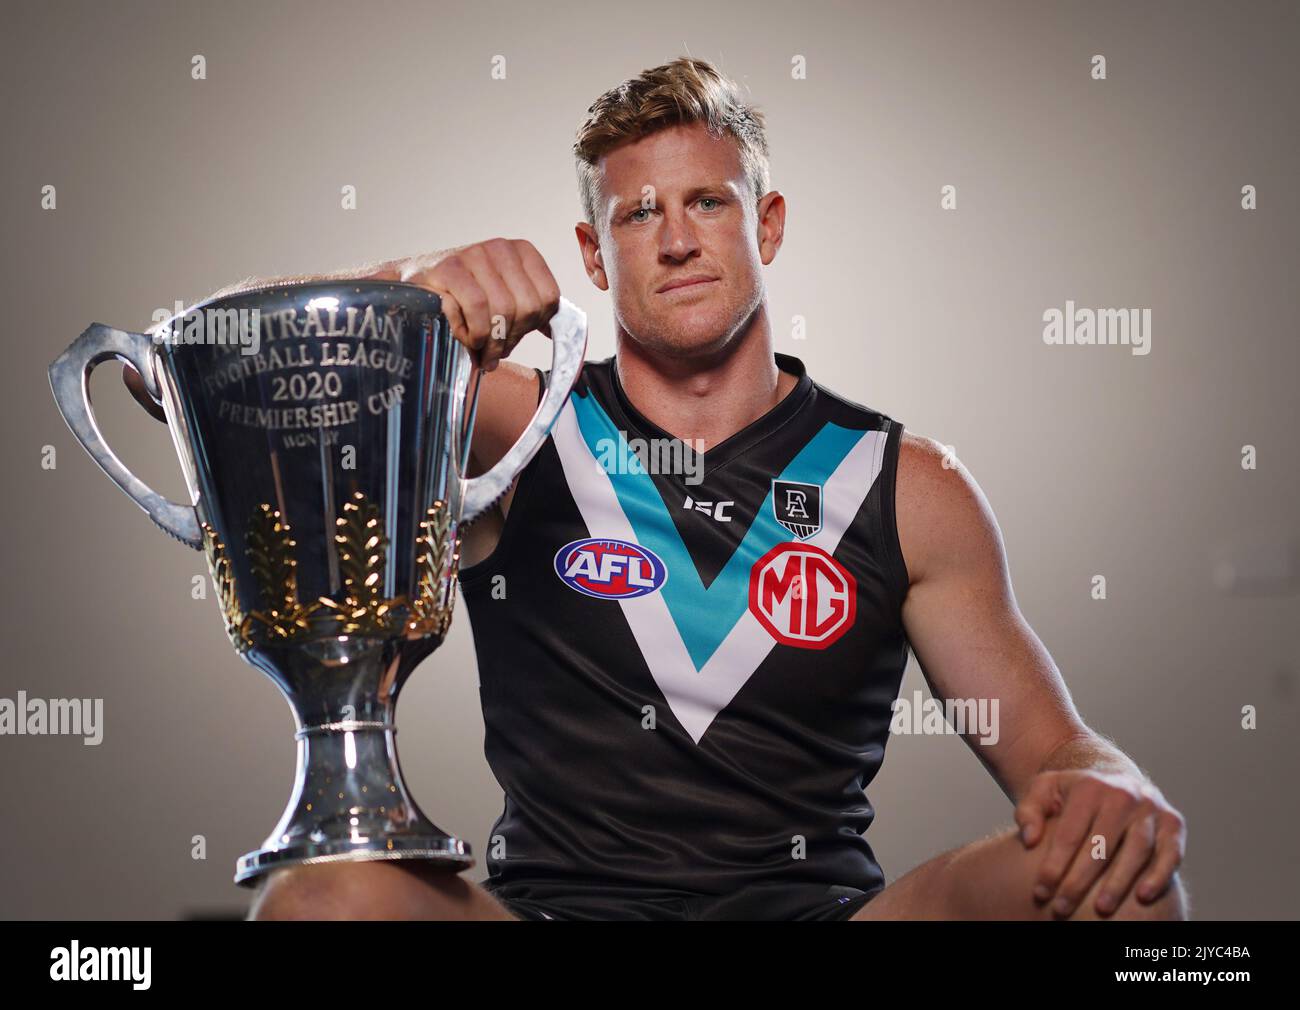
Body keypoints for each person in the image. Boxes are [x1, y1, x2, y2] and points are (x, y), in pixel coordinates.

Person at [132, 57, 1187, 921]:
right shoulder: (512, 420)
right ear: (593, 251)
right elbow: (169, 370)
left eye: (706, 203)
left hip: (821, 918)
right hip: (553, 916)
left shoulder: (904, 481)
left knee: (1122, 876)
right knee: (322, 896)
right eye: (637, 215)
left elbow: (1057, 756)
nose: (676, 238)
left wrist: (1115, 782)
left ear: (765, 225)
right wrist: (408, 293)